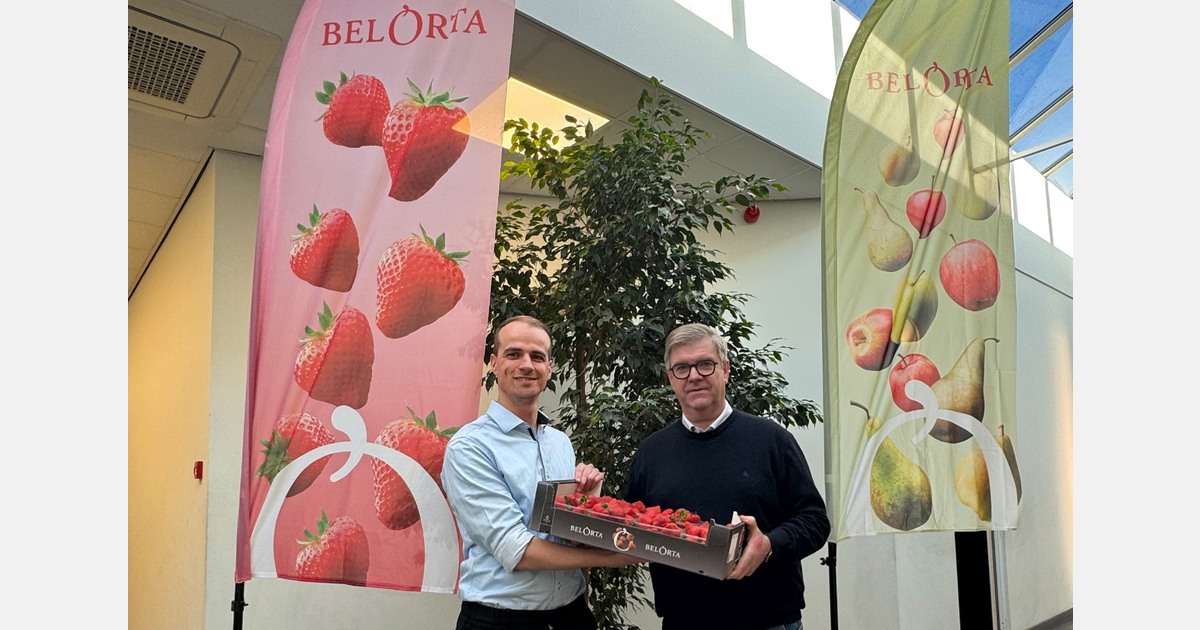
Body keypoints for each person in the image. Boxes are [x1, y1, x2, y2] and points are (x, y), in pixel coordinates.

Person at [626, 323, 830, 630]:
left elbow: (814, 520)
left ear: (725, 369)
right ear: (670, 378)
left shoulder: (772, 440)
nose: (694, 375)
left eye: (705, 364)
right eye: (681, 367)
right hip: (684, 621)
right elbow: (632, 526)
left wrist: (770, 544)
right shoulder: (651, 452)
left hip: (768, 620)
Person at [441, 315, 640, 630]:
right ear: (494, 363)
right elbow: (517, 550)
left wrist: (587, 502)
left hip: (571, 613)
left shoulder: (559, 442)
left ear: (549, 368)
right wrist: (613, 557)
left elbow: (564, 533)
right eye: (513, 353)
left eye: (537, 356)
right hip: (501, 620)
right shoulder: (470, 447)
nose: (526, 364)